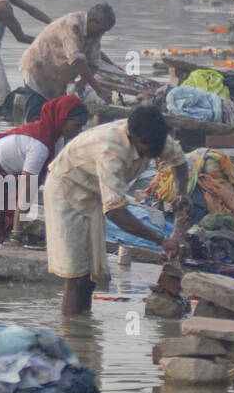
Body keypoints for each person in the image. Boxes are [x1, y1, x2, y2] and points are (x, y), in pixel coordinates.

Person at [44, 106, 192, 315]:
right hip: (66, 189)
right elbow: (115, 212)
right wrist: (160, 240)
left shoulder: (156, 137)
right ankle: (72, 336)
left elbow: (179, 161)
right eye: (146, 151)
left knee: (91, 276)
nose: (151, 156)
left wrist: (182, 193)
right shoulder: (111, 151)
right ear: (133, 138)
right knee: (76, 277)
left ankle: (86, 333)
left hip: (94, 193)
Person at [0, 95, 89, 248]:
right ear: (62, 119)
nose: (79, 131)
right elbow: (26, 190)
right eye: (77, 125)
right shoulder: (40, 145)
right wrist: (16, 236)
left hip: (1, 179)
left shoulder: (55, 139)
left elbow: (56, 179)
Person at [15, 1, 119, 122]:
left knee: (55, 118)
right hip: (38, 69)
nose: (102, 33)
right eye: (101, 29)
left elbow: (94, 63)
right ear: (92, 20)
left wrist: (82, 82)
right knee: (36, 118)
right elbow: (77, 60)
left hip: (58, 78)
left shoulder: (95, 33)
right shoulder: (73, 24)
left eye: (105, 31)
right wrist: (98, 90)